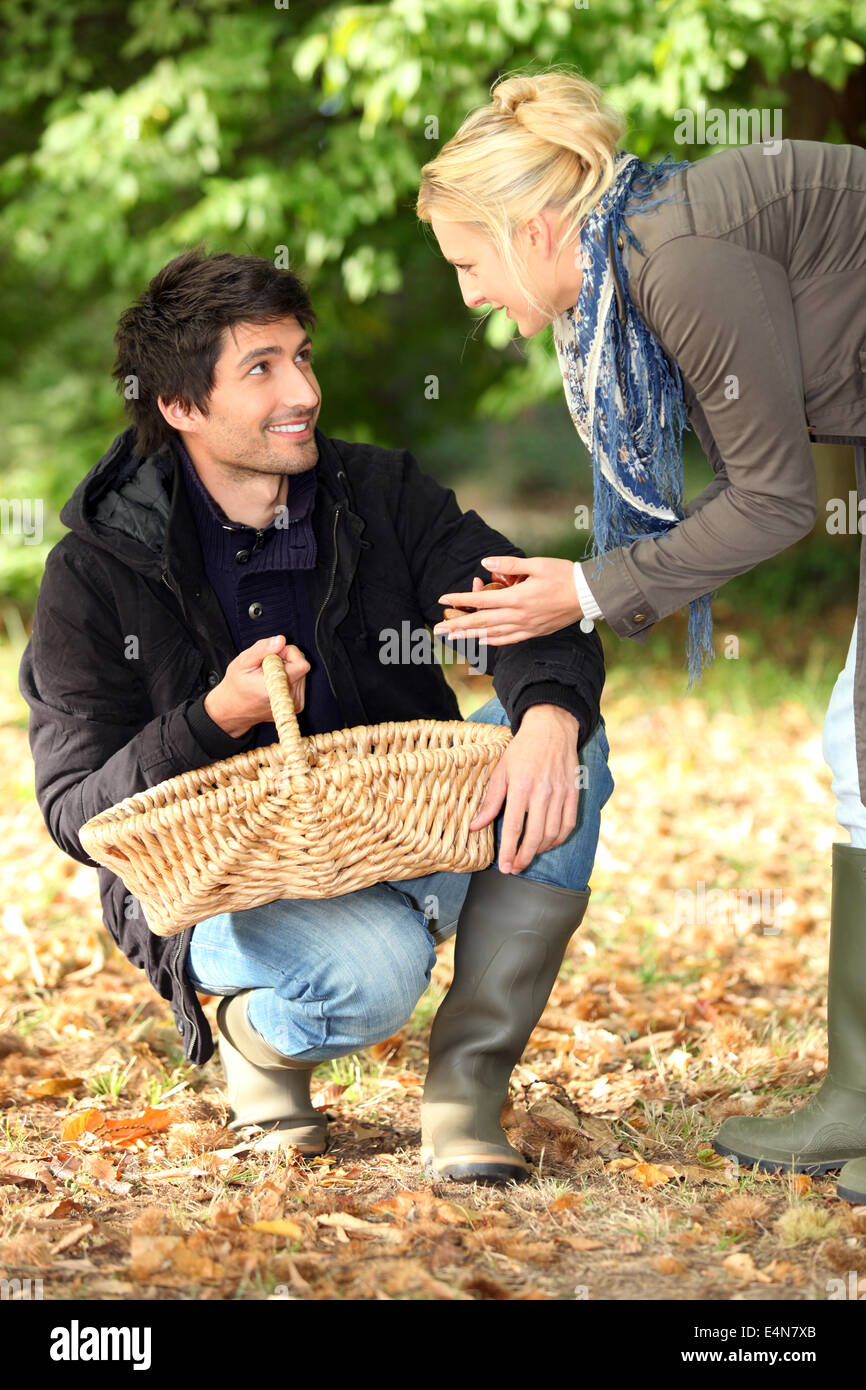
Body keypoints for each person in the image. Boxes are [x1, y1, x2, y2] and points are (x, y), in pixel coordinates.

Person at [18, 247, 613, 1184]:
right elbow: (75, 813)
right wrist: (217, 713)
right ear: (180, 407)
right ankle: (256, 1037)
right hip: (224, 890)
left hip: (404, 834)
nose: (303, 388)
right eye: (261, 368)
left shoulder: (379, 494)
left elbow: (527, 607)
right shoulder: (92, 573)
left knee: (568, 733)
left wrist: (544, 718)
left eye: (302, 356)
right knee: (375, 971)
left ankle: (465, 1096)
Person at [416, 67, 866, 1202]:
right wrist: (584, 586)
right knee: (857, 752)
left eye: (468, 264)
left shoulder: (677, 259)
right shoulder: (642, 251)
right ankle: (859, 1103)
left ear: (531, 230)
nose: (468, 296)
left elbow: (772, 500)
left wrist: (581, 591)